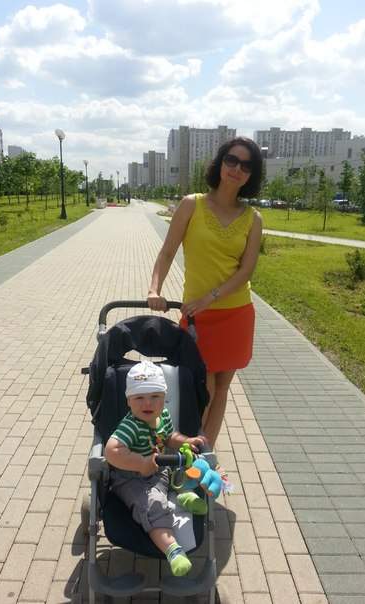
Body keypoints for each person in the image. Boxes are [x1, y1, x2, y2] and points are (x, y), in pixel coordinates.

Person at [147, 136, 263, 461]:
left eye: (246, 165)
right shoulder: (191, 204)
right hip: (198, 317)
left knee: (222, 388)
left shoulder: (253, 218)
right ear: (220, 162)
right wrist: (154, 289)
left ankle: (204, 459)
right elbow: (167, 252)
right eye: (231, 159)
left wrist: (211, 297)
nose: (237, 168)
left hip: (236, 312)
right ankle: (191, 452)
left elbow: (246, 270)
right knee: (204, 390)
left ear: (252, 173)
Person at [104, 360, 208, 577]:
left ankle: (183, 495)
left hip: (158, 469)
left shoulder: (164, 416)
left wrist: (185, 441)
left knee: (184, 471)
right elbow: (111, 451)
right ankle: (173, 549)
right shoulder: (131, 425)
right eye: (139, 398)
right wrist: (140, 463)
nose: (147, 403)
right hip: (132, 479)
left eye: (155, 396)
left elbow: (170, 437)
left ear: (164, 397)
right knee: (153, 505)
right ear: (129, 401)